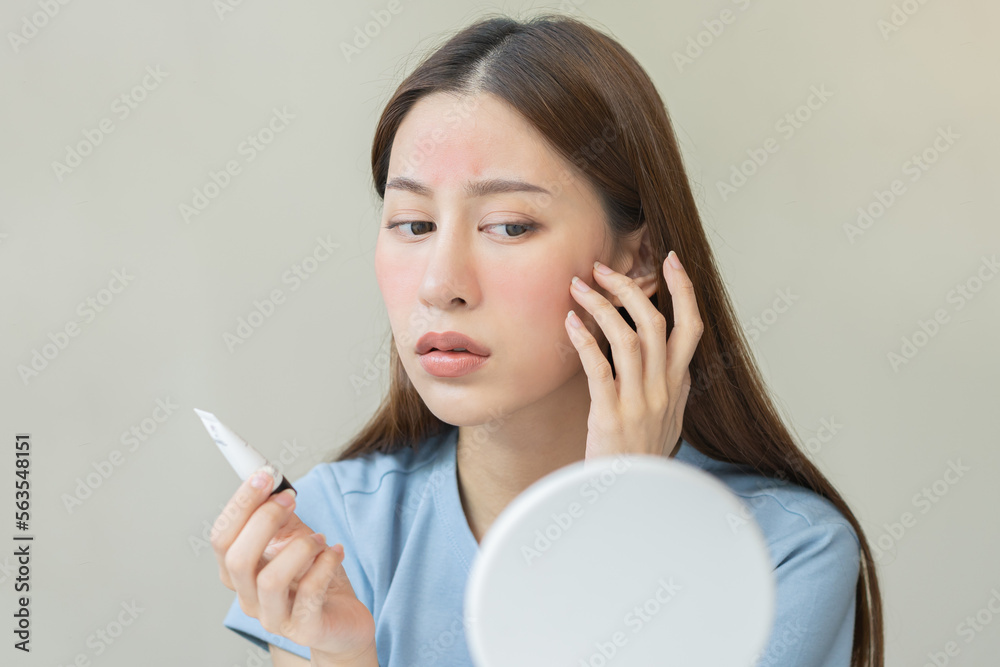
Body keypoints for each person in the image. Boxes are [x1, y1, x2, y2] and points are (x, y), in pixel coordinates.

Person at [210, 12, 884, 667]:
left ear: (638, 259)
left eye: (508, 225)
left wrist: (619, 519)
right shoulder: (337, 530)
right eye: (413, 224)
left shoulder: (784, 553)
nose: (442, 284)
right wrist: (343, 657)